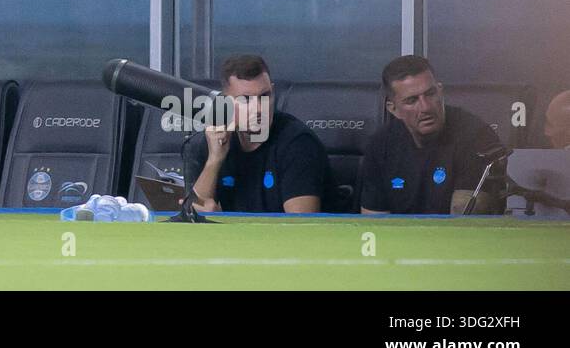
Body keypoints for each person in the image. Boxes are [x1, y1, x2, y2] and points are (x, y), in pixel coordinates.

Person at [359, 54, 502, 215]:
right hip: (399, 239)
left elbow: (464, 221)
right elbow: (375, 221)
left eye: (430, 94)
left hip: (454, 238)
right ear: (393, 109)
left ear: (440, 91)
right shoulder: (380, 144)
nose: (425, 107)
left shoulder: (476, 135)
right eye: (412, 100)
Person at [186, 55, 327, 213]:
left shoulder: (298, 143)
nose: (259, 109)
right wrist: (214, 159)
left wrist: (224, 225)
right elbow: (194, 215)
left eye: (264, 96)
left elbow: (302, 229)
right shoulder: (213, 140)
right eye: (246, 99)